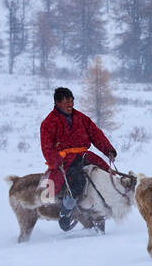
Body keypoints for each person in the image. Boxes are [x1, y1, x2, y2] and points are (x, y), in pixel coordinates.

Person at [40, 86, 118, 231]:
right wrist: (56, 161)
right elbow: (47, 147)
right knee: (77, 183)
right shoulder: (49, 123)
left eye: (72, 101)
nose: (71, 105)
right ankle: (65, 212)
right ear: (57, 102)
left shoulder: (81, 118)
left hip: (84, 155)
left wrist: (109, 150)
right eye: (66, 102)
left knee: (107, 174)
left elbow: (96, 134)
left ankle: (107, 205)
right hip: (65, 161)